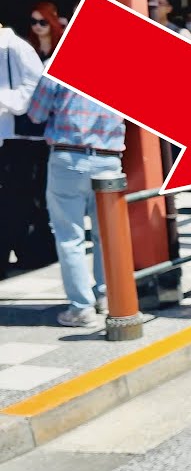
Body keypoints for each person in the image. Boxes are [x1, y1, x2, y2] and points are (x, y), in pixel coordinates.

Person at [25, 66, 128, 326]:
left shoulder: (58, 66)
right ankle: (106, 296)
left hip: (68, 157)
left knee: (70, 236)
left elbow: (35, 114)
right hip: (109, 159)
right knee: (106, 234)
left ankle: (81, 308)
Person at [0, 18, 50, 279]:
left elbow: (33, 90)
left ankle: (27, 252)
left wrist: (4, 99)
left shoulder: (16, 48)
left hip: (19, 140)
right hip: (8, 138)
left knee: (16, 202)